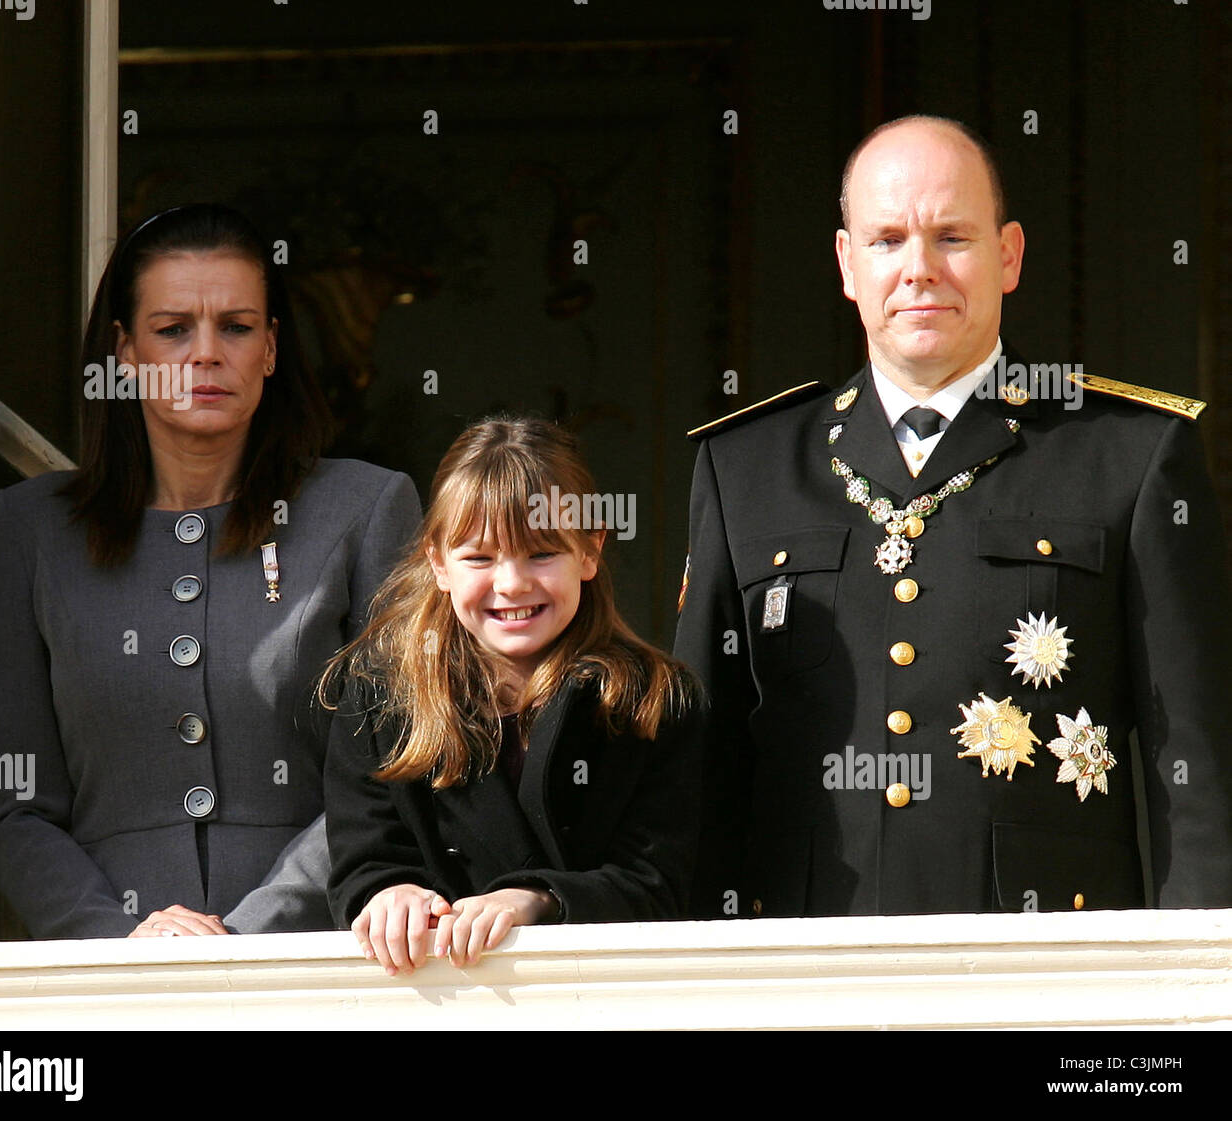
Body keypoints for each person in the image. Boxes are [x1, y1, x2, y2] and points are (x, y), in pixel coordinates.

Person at [675, 116, 1232, 919]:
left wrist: (1198, 989)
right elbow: (700, 769)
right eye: (888, 239)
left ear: (1008, 255)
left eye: (952, 237)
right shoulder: (746, 468)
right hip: (804, 973)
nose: (919, 270)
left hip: (1041, 973)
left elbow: (1197, 770)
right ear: (846, 264)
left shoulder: (1131, 456)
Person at [0, 203, 421, 938]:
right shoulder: (30, 530)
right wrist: (119, 940)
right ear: (125, 351)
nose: (205, 353)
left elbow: (389, 769)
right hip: (102, 981)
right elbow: (12, 805)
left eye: (237, 327)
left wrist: (246, 939)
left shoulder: (367, 506)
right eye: (173, 328)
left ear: (272, 348)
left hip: (318, 964)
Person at [322, 417, 702, 973]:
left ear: (591, 550)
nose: (512, 584)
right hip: (440, 1002)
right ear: (438, 563)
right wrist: (388, 894)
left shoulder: (655, 701)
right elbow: (367, 855)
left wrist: (539, 899)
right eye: (479, 558)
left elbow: (661, 883)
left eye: (542, 553)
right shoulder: (380, 694)